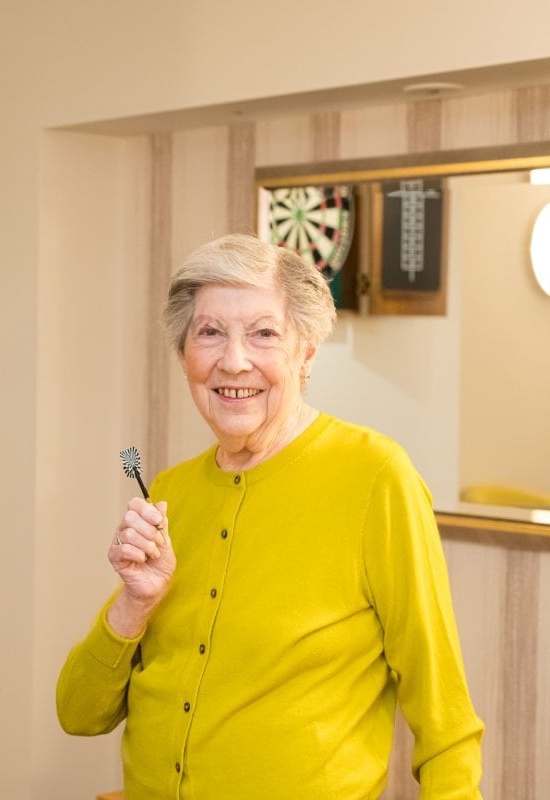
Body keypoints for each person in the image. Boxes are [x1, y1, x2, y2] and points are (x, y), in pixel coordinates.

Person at [56, 234, 483, 798]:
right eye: (210, 333)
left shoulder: (378, 478)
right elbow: (79, 714)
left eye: (264, 334)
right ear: (184, 355)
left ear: (306, 353)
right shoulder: (168, 492)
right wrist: (134, 605)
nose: (234, 361)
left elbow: (445, 716)